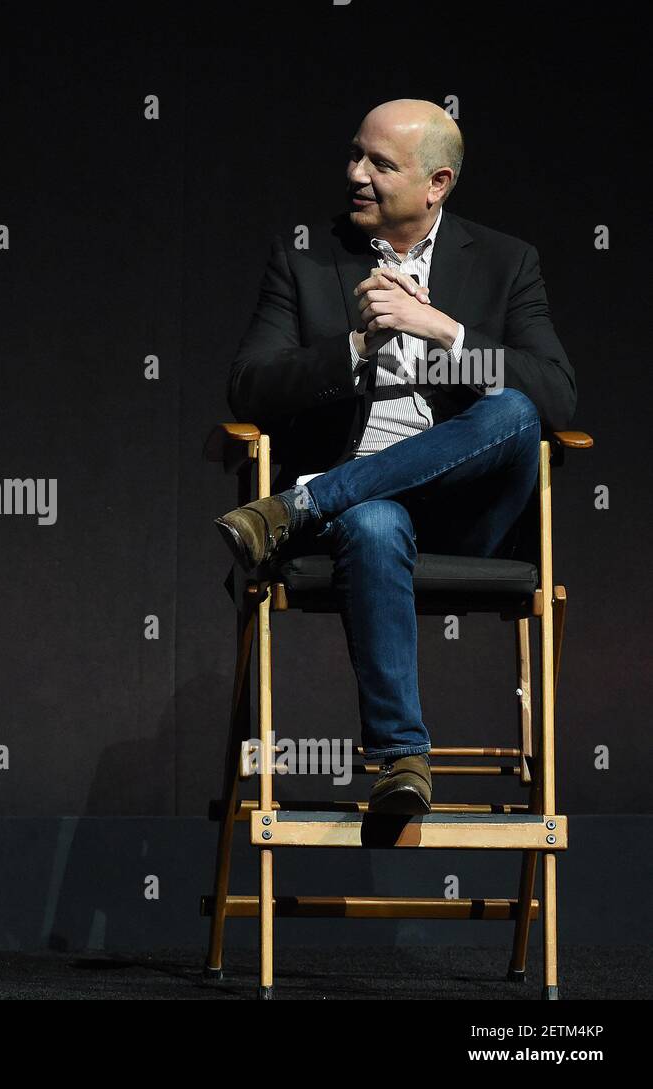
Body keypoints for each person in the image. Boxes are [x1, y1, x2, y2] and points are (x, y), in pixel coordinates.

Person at [215, 99, 575, 814]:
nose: (356, 174)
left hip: (466, 516)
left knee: (514, 409)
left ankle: (305, 501)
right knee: (374, 521)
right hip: (362, 526)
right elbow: (248, 386)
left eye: (380, 164)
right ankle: (403, 761)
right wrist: (353, 350)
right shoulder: (309, 260)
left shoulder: (506, 263)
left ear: (437, 183)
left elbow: (558, 395)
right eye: (355, 155)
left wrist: (443, 331)